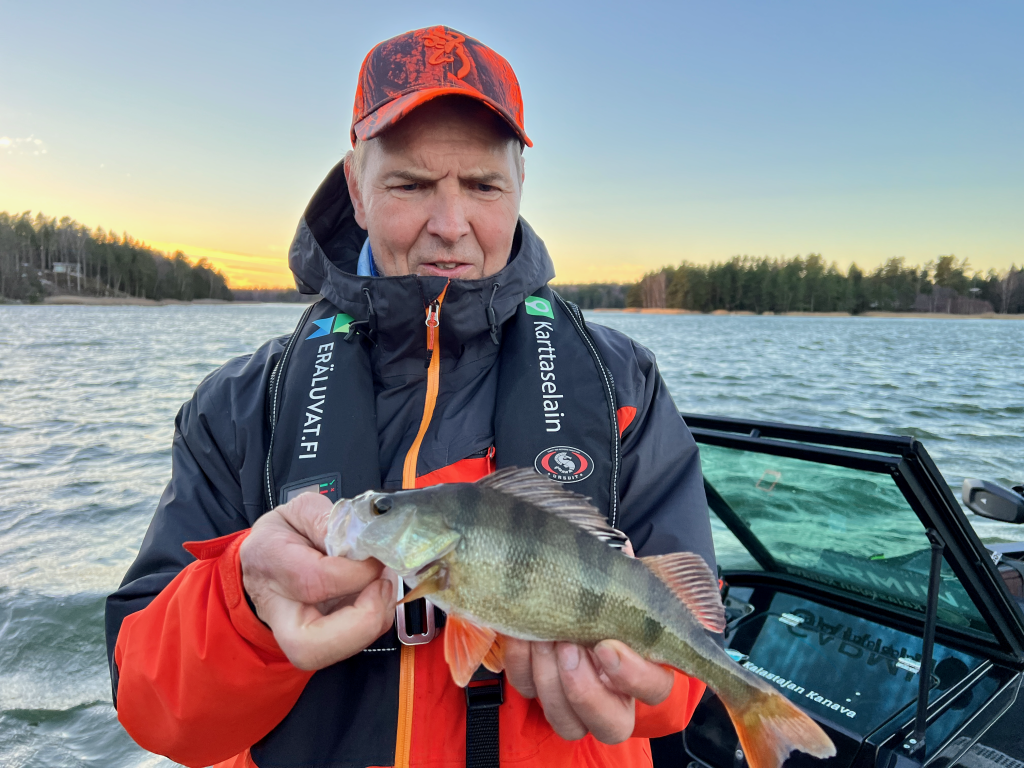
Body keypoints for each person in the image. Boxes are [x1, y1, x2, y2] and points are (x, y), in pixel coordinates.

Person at [105, 26, 716, 768]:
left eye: (483, 186)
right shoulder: (238, 408)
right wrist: (246, 604)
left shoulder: (623, 386)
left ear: (520, 187)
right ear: (357, 189)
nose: (449, 225)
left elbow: (687, 659)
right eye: (410, 185)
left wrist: (654, 685)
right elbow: (148, 704)